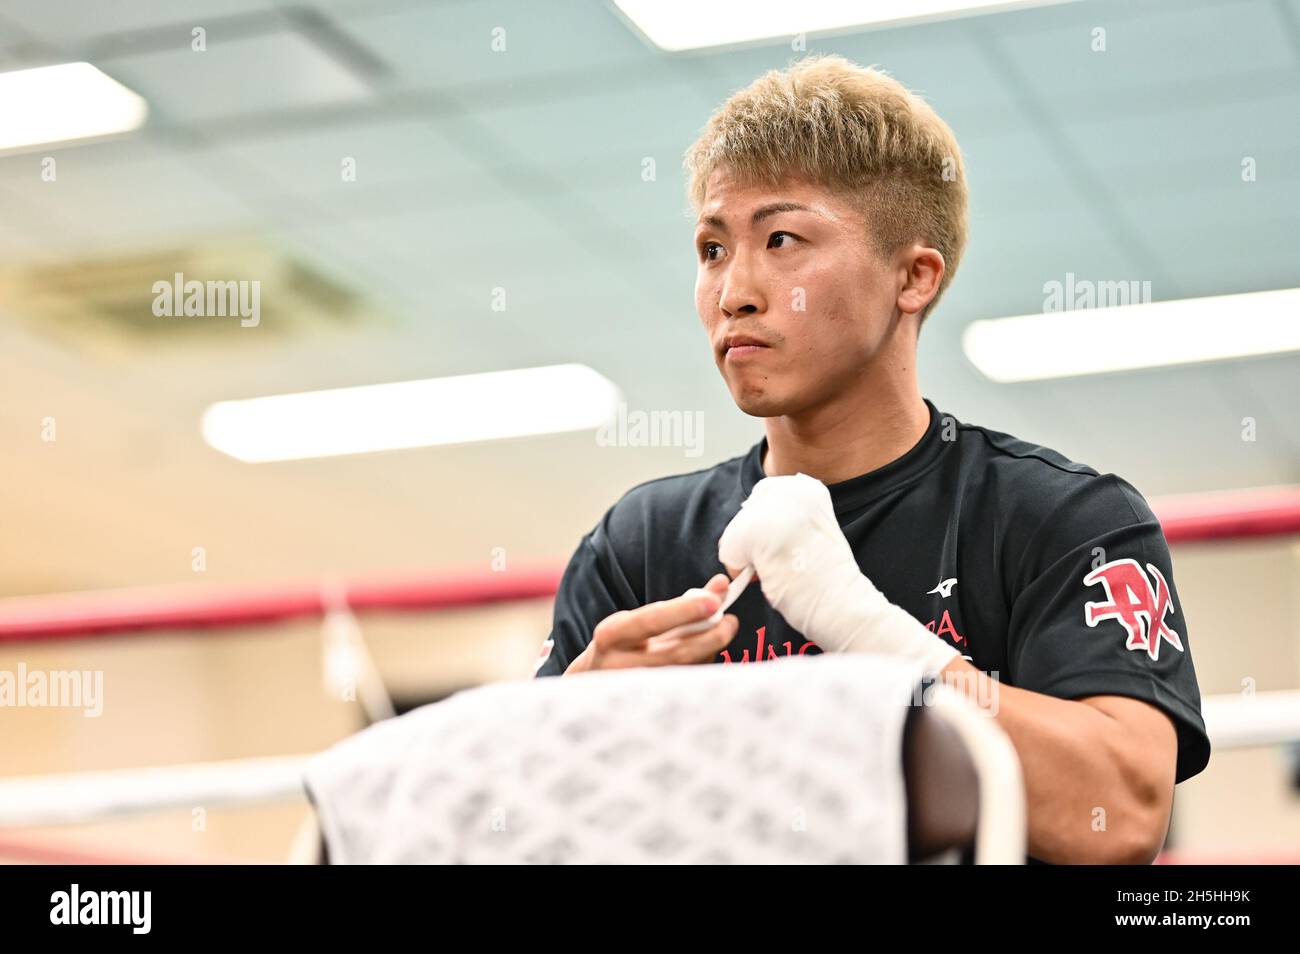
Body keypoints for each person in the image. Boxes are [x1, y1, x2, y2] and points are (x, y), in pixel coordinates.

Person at [533, 55, 1209, 865]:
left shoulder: (1059, 518)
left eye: (781, 239)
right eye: (712, 249)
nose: (734, 291)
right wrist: (569, 733)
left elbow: (1122, 813)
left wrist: (869, 630)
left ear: (913, 277)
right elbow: (502, 833)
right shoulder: (642, 542)